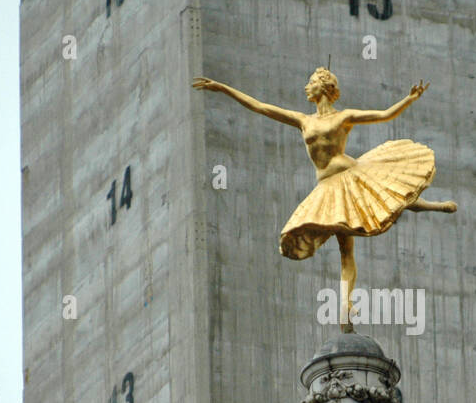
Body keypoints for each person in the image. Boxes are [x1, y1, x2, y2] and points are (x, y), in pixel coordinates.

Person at [193, 67, 456, 329]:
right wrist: (222, 87)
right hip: (327, 187)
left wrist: (409, 99)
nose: (306, 88)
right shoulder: (303, 120)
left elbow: (384, 115)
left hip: (350, 174)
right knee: (346, 248)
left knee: (389, 196)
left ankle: (434, 205)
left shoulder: (345, 117)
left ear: (324, 87)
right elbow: (261, 107)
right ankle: (346, 305)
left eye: (311, 83)